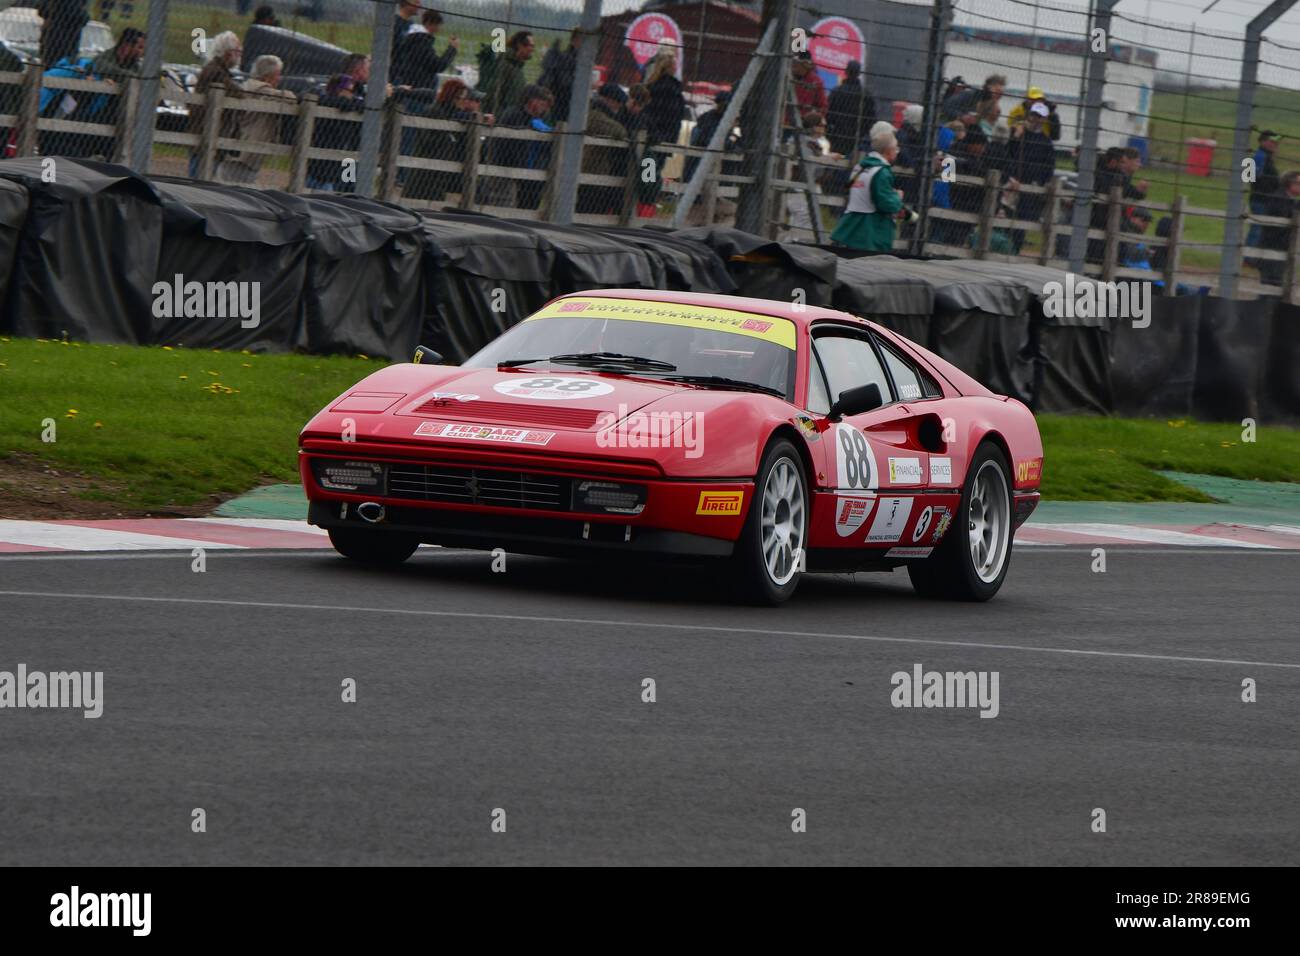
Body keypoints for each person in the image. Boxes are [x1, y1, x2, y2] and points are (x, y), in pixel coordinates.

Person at [404, 79, 490, 201]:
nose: (463, 102)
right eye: (461, 98)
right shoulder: (436, 111)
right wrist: (450, 139)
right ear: (453, 97)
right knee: (421, 199)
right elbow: (429, 140)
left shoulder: (453, 113)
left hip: (441, 172)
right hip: (427, 170)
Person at [218, 54, 295, 185]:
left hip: (238, 148)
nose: (279, 79)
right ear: (267, 76)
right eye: (277, 74)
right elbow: (290, 98)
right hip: (246, 153)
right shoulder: (261, 89)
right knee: (240, 192)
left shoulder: (247, 85)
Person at [305, 54, 375, 192]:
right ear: (358, 70)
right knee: (325, 187)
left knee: (348, 188)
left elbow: (360, 103)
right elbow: (342, 101)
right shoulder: (338, 84)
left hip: (349, 153)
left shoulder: (362, 90)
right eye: (368, 68)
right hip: (329, 152)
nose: (371, 72)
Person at [831, 124, 904, 252]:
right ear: (888, 151)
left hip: (852, 225)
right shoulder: (881, 171)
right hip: (872, 230)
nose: (897, 152)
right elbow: (887, 204)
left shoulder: (860, 167)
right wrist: (897, 197)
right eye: (896, 149)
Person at [1000, 100, 1056, 252]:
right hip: (1012, 184)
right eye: (1033, 115)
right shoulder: (1018, 133)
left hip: (1030, 189)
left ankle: (1015, 250)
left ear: (1044, 119)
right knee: (1004, 219)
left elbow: (1049, 167)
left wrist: (1041, 182)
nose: (1036, 119)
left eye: (1040, 116)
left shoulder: (1046, 142)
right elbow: (1006, 153)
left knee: (1021, 225)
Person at [187, 31, 244, 178]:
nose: (239, 55)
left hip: (209, 135)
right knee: (199, 178)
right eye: (237, 51)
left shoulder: (216, 69)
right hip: (206, 135)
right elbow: (236, 93)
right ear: (227, 52)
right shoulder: (216, 72)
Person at [491, 84, 555, 209]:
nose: (545, 108)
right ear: (532, 100)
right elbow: (510, 145)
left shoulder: (536, 119)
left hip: (530, 171)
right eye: (543, 102)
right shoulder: (514, 114)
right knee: (505, 206)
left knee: (530, 205)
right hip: (510, 170)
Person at [578, 82, 629, 216]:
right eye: (617, 103)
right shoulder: (596, 115)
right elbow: (620, 131)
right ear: (609, 100)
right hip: (593, 173)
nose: (619, 107)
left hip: (599, 174)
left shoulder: (598, 114)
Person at [393, 9, 458, 90]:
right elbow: (438, 66)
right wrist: (452, 49)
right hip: (418, 91)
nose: (439, 28)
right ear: (429, 23)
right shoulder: (421, 41)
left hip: (416, 88)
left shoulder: (418, 39)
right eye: (438, 24)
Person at [825, 60, 874, 159]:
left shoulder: (837, 91)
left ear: (846, 72)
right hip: (857, 138)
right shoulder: (865, 94)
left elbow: (828, 114)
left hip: (837, 136)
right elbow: (871, 119)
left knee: (835, 163)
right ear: (859, 73)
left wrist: (830, 131)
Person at [483, 31, 533, 116]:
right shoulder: (504, 65)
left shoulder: (517, 67)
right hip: (501, 118)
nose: (532, 49)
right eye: (530, 46)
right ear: (520, 45)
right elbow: (493, 93)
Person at [539, 28, 583, 124]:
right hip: (560, 107)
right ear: (575, 40)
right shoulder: (567, 60)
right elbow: (564, 83)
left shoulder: (579, 62)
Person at [38, 0, 88, 70]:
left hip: (51, 40)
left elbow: (41, 10)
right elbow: (82, 18)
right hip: (66, 43)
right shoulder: (75, 6)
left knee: (48, 67)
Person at [790, 51, 827, 125]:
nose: (793, 65)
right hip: (785, 121)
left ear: (806, 64)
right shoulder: (788, 76)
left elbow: (822, 106)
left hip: (804, 123)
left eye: (796, 63)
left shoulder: (816, 82)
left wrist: (816, 115)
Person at [390, 0, 419, 78]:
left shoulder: (413, 25)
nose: (419, 4)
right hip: (393, 72)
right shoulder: (394, 22)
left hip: (407, 74)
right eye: (416, 2)